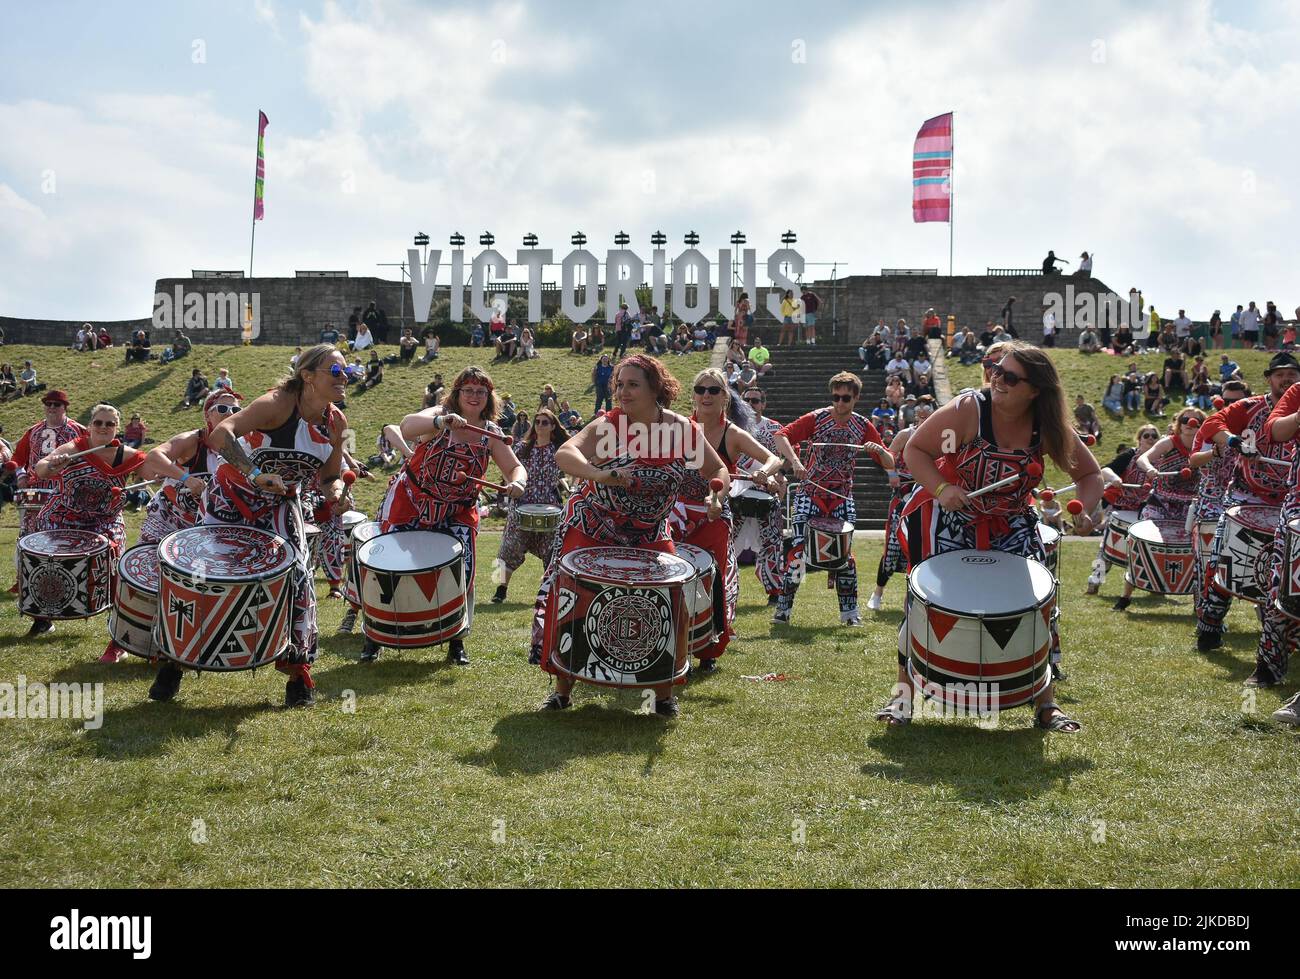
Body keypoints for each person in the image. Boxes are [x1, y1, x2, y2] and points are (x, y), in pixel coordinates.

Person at [878, 342, 1100, 731]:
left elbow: (1089, 475)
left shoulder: (1045, 426)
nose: (997, 379)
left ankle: (1045, 705)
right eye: (996, 369)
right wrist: (944, 490)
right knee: (922, 606)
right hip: (950, 516)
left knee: (1037, 609)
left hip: (1011, 522)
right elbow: (917, 451)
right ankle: (903, 699)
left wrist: (1084, 509)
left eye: (1010, 376)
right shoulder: (968, 411)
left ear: (1036, 390)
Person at [148, 344, 351, 707]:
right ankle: (172, 662)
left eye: (346, 371)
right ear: (308, 376)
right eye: (336, 372)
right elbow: (221, 433)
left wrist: (337, 495)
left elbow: (330, 476)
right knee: (204, 580)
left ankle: (298, 673)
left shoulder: (336, 422)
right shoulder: (275, 403)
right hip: (231, 499)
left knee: (299, 581)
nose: (345, 378)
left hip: (279, 507)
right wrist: (255, 474)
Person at [530, 355, 729, 716]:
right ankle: (562, 689)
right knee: (574, 595)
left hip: (649, 530)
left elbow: (717, 469)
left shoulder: (681, 429)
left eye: (632, 384)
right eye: (619, 384)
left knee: (670, 597)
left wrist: (717, 495)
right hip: (594, 524)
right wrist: (600, 474)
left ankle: (662, 694)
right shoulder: (609, 425)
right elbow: (565, 452)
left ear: (656, 388)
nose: (622, 392)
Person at [370, 367, 521, 659]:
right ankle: (376, 636)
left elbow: (514, 466)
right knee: (392, 568)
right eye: (468, 390)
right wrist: (441, 421)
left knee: (461, 573)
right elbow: (406, 426)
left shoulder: (491, 433)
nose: (474, 396)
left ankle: (456, 640)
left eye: (481, 391)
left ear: (488, 397)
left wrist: (517, 482)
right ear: (457, 394)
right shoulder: (440, 416)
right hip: (412, 501)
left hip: (457, 510)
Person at [675, 369, 782, 672]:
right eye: (700, 389)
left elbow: (773, 459)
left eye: (713, 390)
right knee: (674, 580)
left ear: (724, 397)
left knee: (711, 582)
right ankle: (672, 642)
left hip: (714, 516)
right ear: (693, 396)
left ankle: (708, 649)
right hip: (677, 516)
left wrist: (766, 472)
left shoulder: (732, 433)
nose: (705, 395)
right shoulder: (678, 428)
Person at [1191, 354, 1299, 653]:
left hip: (1289, 501)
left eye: (1292, 373)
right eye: (1280, 374)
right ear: (1269, 379)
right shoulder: (1250, 407)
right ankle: (1210, 624)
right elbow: (1214, 423)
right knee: (1222, 563)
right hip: (1245, 495)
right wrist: (1234, 441)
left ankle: (1281, 634)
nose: (1286, 379)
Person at [771, 371, 893, 627]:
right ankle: (783, 610)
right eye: (836, 397)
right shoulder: (816, 418)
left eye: (845, 398)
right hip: (809, 494)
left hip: (841, 497)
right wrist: (795, 462)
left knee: (845, 557)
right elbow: (781, 435)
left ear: (856, 398)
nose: (839, 403)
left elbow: (889, 462)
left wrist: (878, 450)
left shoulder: (863, 426)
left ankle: (850, 615)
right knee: (797, 551)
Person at [31, 404, 151, 650]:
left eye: (109, 424)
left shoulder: (128, 455)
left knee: (115, 560)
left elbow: (152, 469)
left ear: (117, 429)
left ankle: (119, 633)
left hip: (104, 519)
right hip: (64, 515)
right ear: (89, 426)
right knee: (43, 559)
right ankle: (42, 618)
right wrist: (54, 464)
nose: (103, 427)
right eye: (98, 423)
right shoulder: (74, 448)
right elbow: (40, 469)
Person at [1110, 408, 1206, 611]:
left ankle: (1199, 603)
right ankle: (1125, 596)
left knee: (1198, 551)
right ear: (1180, 423)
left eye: (1196, 421)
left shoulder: (1205, 446)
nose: (1191, 423)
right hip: (1160, 502)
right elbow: (1143, 459)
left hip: (1190, 507)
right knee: (1140, 545)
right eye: (1186, 419)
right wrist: (1150, 469)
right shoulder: (1169, 442)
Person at [490, 408, 569, 604]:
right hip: (522, 504)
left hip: (550, 506)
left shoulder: (560, 451)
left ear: (552, 427)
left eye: (544, 422)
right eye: (537, 422)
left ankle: (547, 591)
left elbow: (571, 469)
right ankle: (501, 589)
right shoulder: (522, 448)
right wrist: (511, 484)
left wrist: (569, 486)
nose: (540, 425)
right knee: (508, 548)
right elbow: (509, 470)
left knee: (552, 550)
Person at [1253, 386, 1300, 710]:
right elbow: (1274, 431)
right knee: (1283, 591)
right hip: (1298, 508)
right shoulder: (1298, 392)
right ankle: (1268, 668)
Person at [868, 396, 935, 611]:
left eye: (928, 412)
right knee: (893, 546)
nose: (923, 416)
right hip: (903, 495)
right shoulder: (906, 434)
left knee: (925, 545)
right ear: (914, 414)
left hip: (929, 496)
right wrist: (891, 474)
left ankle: (917, 596)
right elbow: (888, 456)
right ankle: (878, 592)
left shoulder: (941, 436)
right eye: (920, 413)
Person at [4, 390, 88, 545]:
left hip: (67, 491)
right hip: (35, 490)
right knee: (30, 536)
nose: (52, 407)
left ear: (65, 407)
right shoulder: (32, 431)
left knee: (61, 538)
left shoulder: (79, 431)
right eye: (48, 404)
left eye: (57, 404)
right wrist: (21, 475)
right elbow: (18, 458)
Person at [1085, 424, 1160, 595]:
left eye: (1154, 436)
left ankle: (1156, 587)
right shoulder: (1130, 455)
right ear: (1139, 439)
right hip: (1122, 506)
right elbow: (1105, 469)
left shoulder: (1163, 458)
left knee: (1152, 551)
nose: (1150, 438)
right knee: (1106, 548)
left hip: (1149, 511)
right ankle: (1095, 579)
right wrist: (1114, 478)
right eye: (1146, 435)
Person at [735, 386, 786, 602]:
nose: (751, 404)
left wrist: (779, 478)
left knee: (772, 542)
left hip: (767, 493)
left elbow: (783, 460)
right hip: (737, 491)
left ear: (763, 404)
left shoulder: (775, 429)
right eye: (747, 400)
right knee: (728, 541)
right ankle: (722, 589)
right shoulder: (732, 427)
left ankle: (775, 591)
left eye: (756, 401)